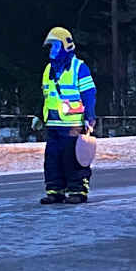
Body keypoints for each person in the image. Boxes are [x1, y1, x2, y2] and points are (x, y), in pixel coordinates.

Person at [36, 27, 97, 204]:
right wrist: (39, 116)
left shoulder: (79, 68)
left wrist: (89, 116)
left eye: (54, 46)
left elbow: (89, 94)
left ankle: (78, 191)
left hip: (72, 125)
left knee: (73, 159)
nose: (51, 51)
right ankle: (55, 191)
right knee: (52, 159)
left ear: (65, 46)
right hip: (54, 125)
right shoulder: (48, 70)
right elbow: (47, 97)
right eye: (50, 47)